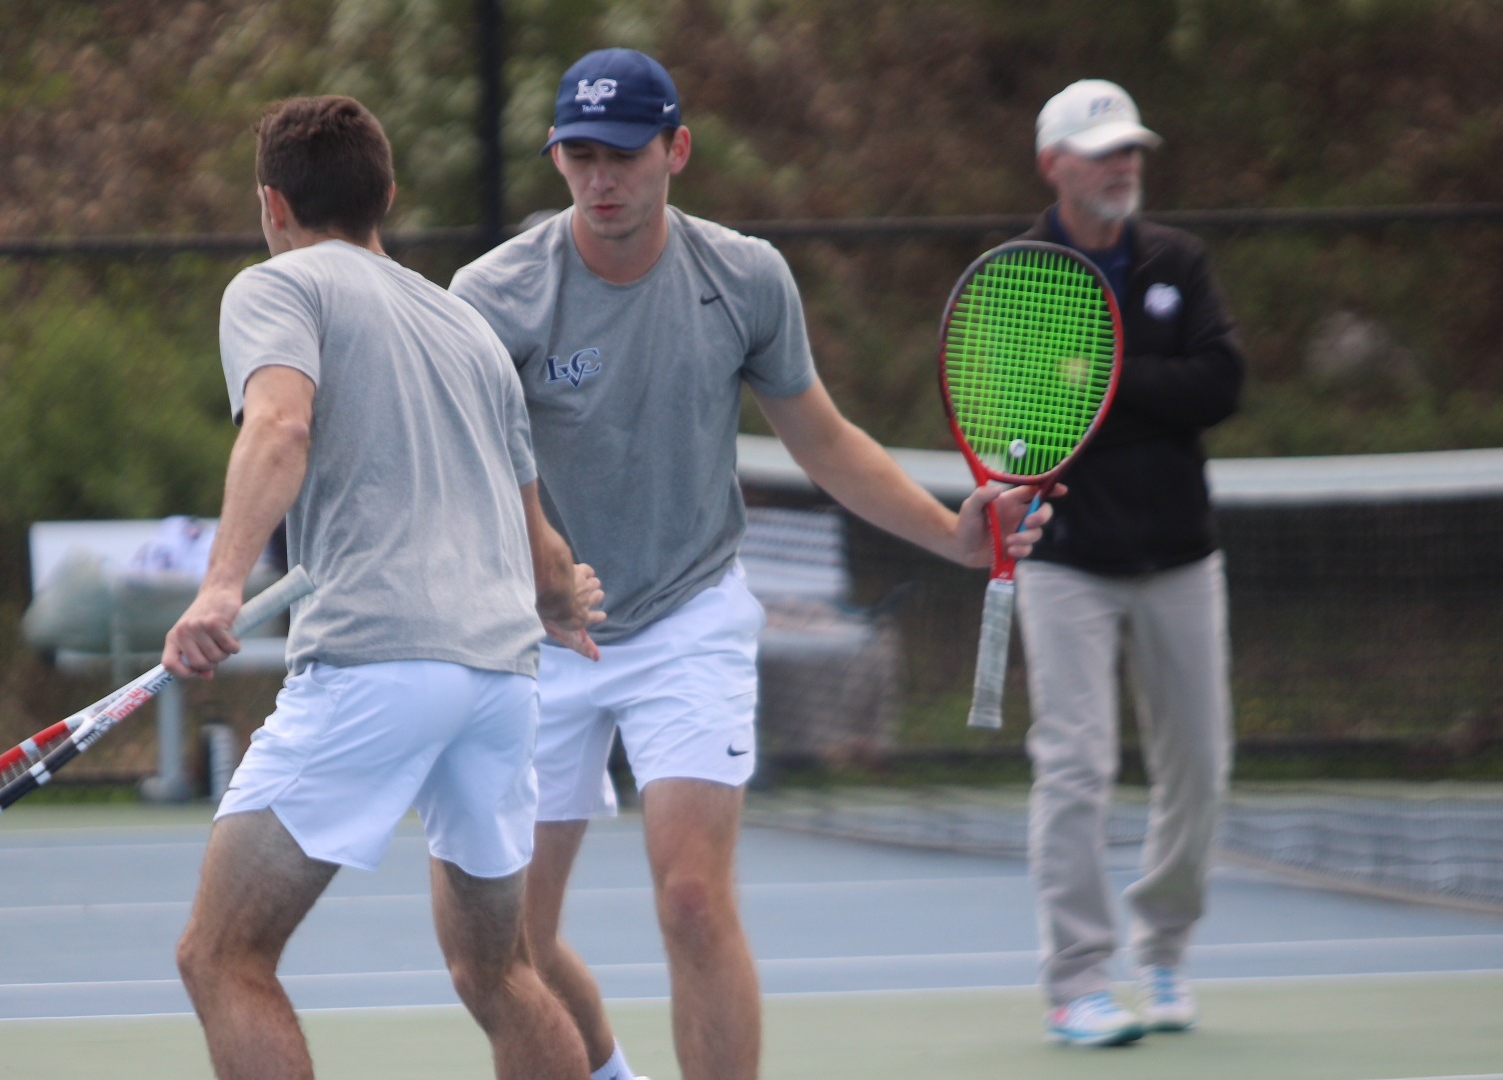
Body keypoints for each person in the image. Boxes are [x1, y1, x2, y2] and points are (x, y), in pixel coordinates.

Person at [450, 48, 1050, 1080]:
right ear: (555, 158)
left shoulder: (744, 278)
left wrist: (951, 533)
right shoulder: (492, 295)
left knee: (691, 898)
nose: (602, 178)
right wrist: (536, 571)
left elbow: (825, 440)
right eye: (581, 155)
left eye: (625, 154)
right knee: (509, 950)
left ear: (676, 151)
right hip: (539, 636)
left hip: (690, 618)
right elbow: (465, 470)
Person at [159, 95, 602, 1080]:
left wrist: (220, 588)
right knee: (501, 972)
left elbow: (279, 425)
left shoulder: (276, 287)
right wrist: (564, 600)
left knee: (221, 956)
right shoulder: (469, 330)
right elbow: (543, 557)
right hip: (501, 680)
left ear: (273, 204)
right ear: (387, 195)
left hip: (377, 665)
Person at [1013, 79, 1244, 1047]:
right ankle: (1077, 982)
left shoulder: (1177, 261)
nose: (1123, 165)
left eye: (1130, 150)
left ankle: (1165, 949)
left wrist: (1100, 381)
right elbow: (1029, 416)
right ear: (1054, 165)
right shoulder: (1021, 277)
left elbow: (1220, 383)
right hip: (1064, 562)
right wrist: (1148, 388)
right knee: (1075, 767)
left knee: (1202, 765)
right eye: (1102, 151)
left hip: (1182, 557)